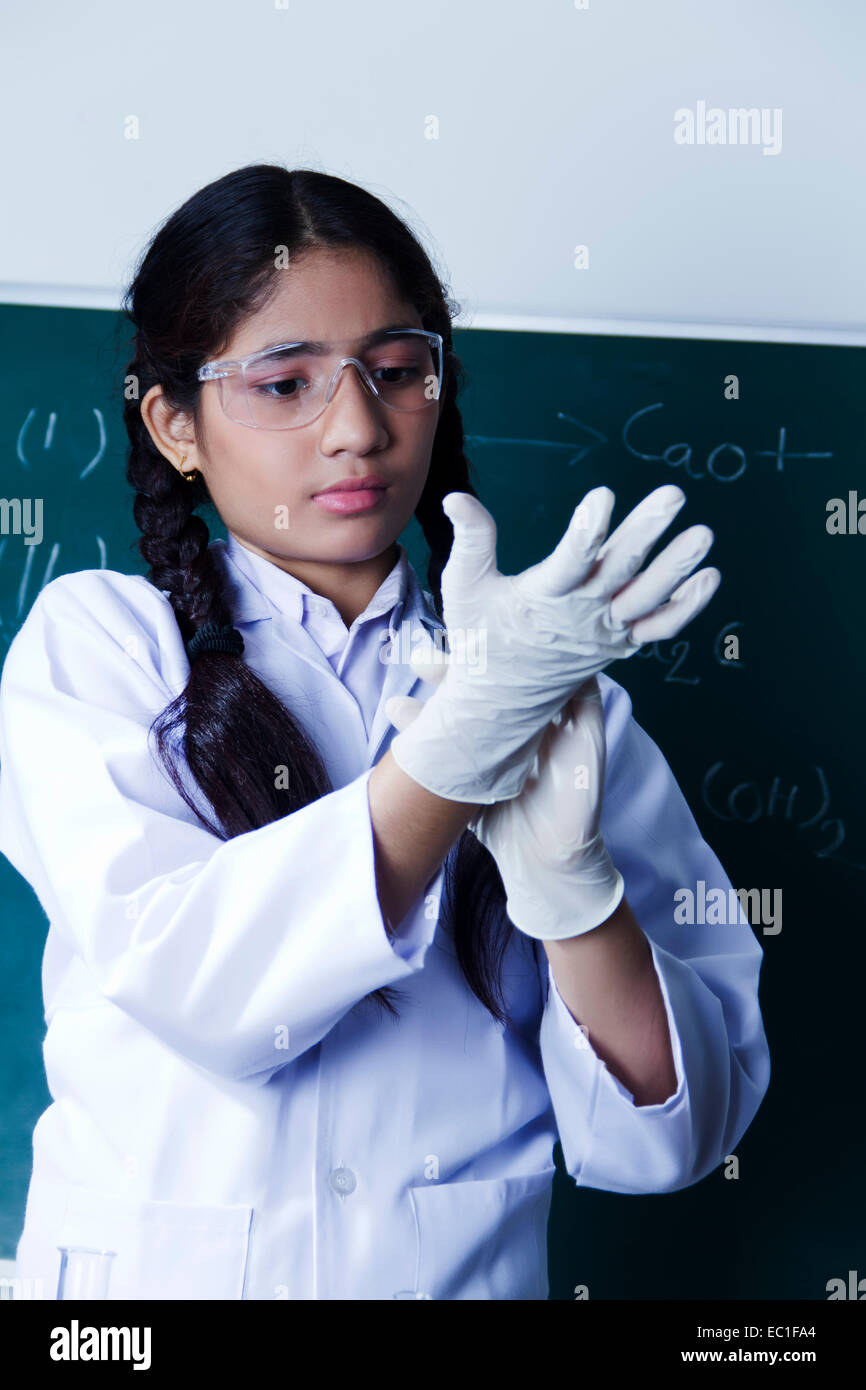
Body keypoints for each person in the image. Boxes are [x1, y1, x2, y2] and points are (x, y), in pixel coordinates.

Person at [0, 164, 770, 1301]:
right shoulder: (102, 648)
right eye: (283, 382)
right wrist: (457, 753)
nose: (356, 428)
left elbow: (674, 1132)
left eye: (397, 372)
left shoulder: (563, 699)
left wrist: (572, 894)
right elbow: (207, 988)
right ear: (174, 424)